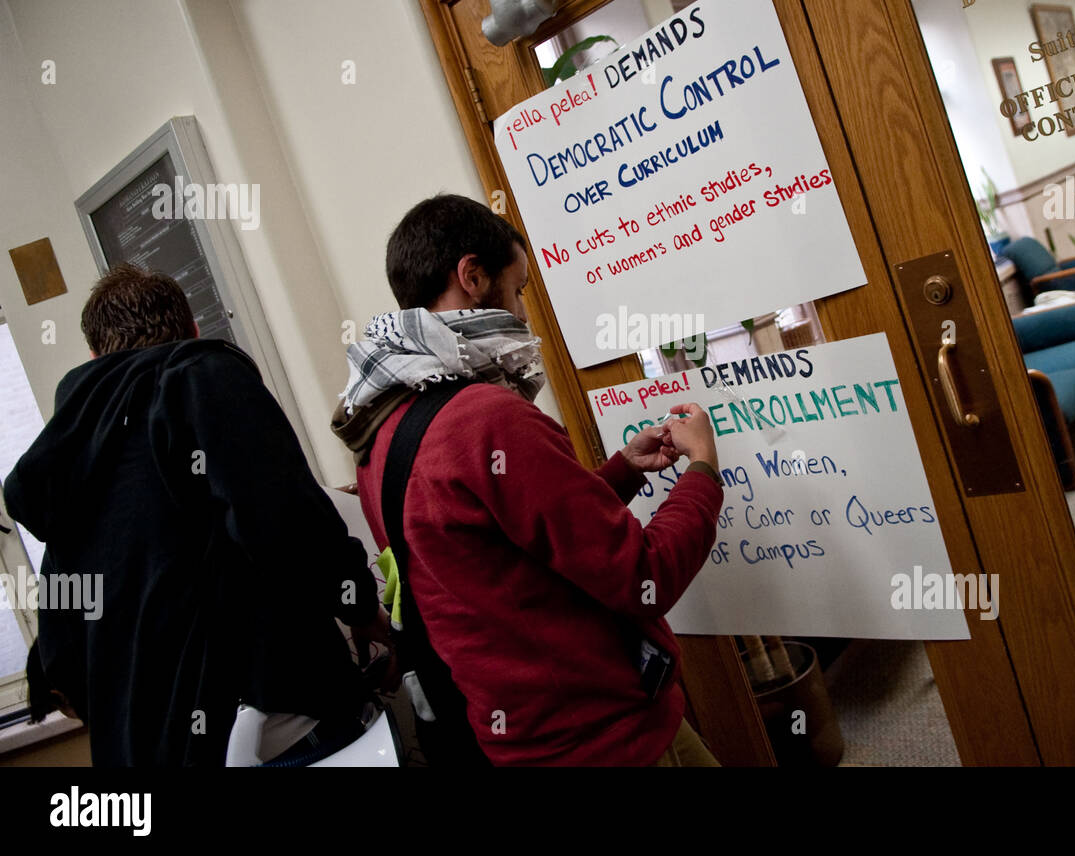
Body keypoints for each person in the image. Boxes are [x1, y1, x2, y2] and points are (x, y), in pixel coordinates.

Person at [332, 193, 724, 766]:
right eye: (517, 291)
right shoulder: (488, 417)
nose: (521, 314)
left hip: (527, 741)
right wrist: (703, 470)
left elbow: (505, 547)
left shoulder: (379, 431)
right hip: (607, 738)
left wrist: (621, 471)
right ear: (472, 276)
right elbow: (646, 576)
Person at [3, 264, 388, 766]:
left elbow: (60, 650)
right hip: (274, 728)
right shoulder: (204, 374)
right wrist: (361, 608)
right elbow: (286, 522)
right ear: (194, 330)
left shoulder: (71, 459)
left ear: (95, 356)